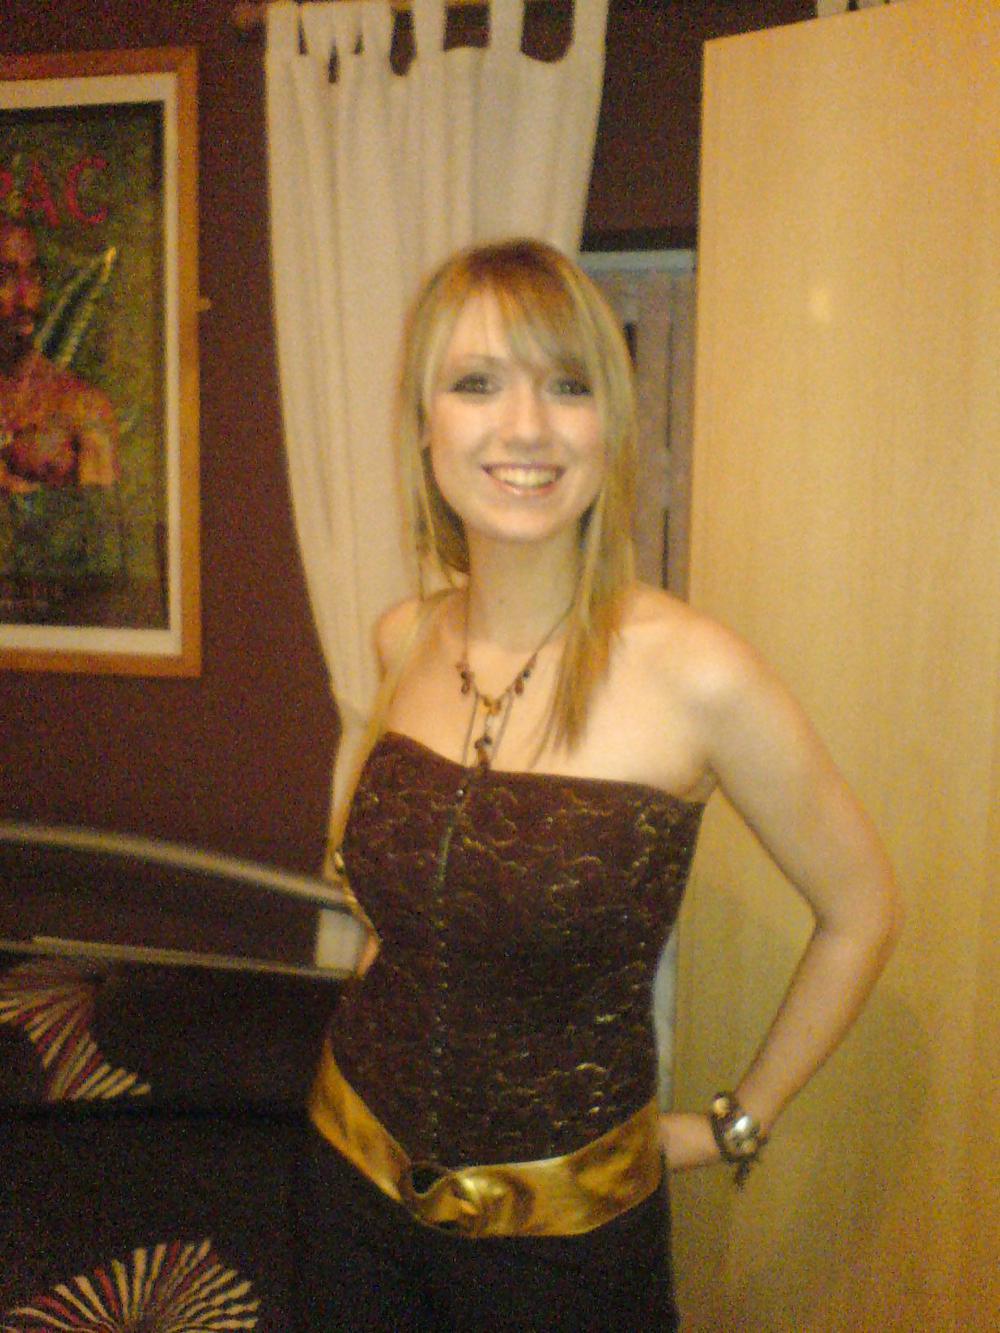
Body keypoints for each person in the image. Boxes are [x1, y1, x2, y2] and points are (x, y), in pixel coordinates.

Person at [298, 239, 900, 1330]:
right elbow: (404, 925)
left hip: (566, 1247)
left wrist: (733, 1124)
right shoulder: (401, 639)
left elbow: (860, 911)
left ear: (608, 423)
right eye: (477, 382)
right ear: (424, 422)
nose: (525, 425)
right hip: (347, 1183)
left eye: (567, 385)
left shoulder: (697, 674)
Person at [0, 219, 119, 496]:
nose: (25, 298)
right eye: (4, 279)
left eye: (34, 277)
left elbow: (101, 516)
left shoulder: (84, 407)